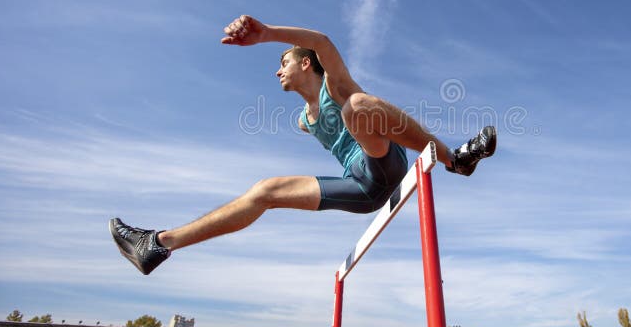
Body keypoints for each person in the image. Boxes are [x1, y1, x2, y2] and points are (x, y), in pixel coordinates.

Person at [110, 15, 496, 275]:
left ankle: (455, 159)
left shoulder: (334, 83)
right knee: (265, 190)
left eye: (284, 62)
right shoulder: (303, 120)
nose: (277, 70)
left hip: (383, 161)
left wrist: (266, 35)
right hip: (361, 188)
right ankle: (158, 244)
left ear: (306, 65)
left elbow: (321, 41)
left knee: (357, 107)